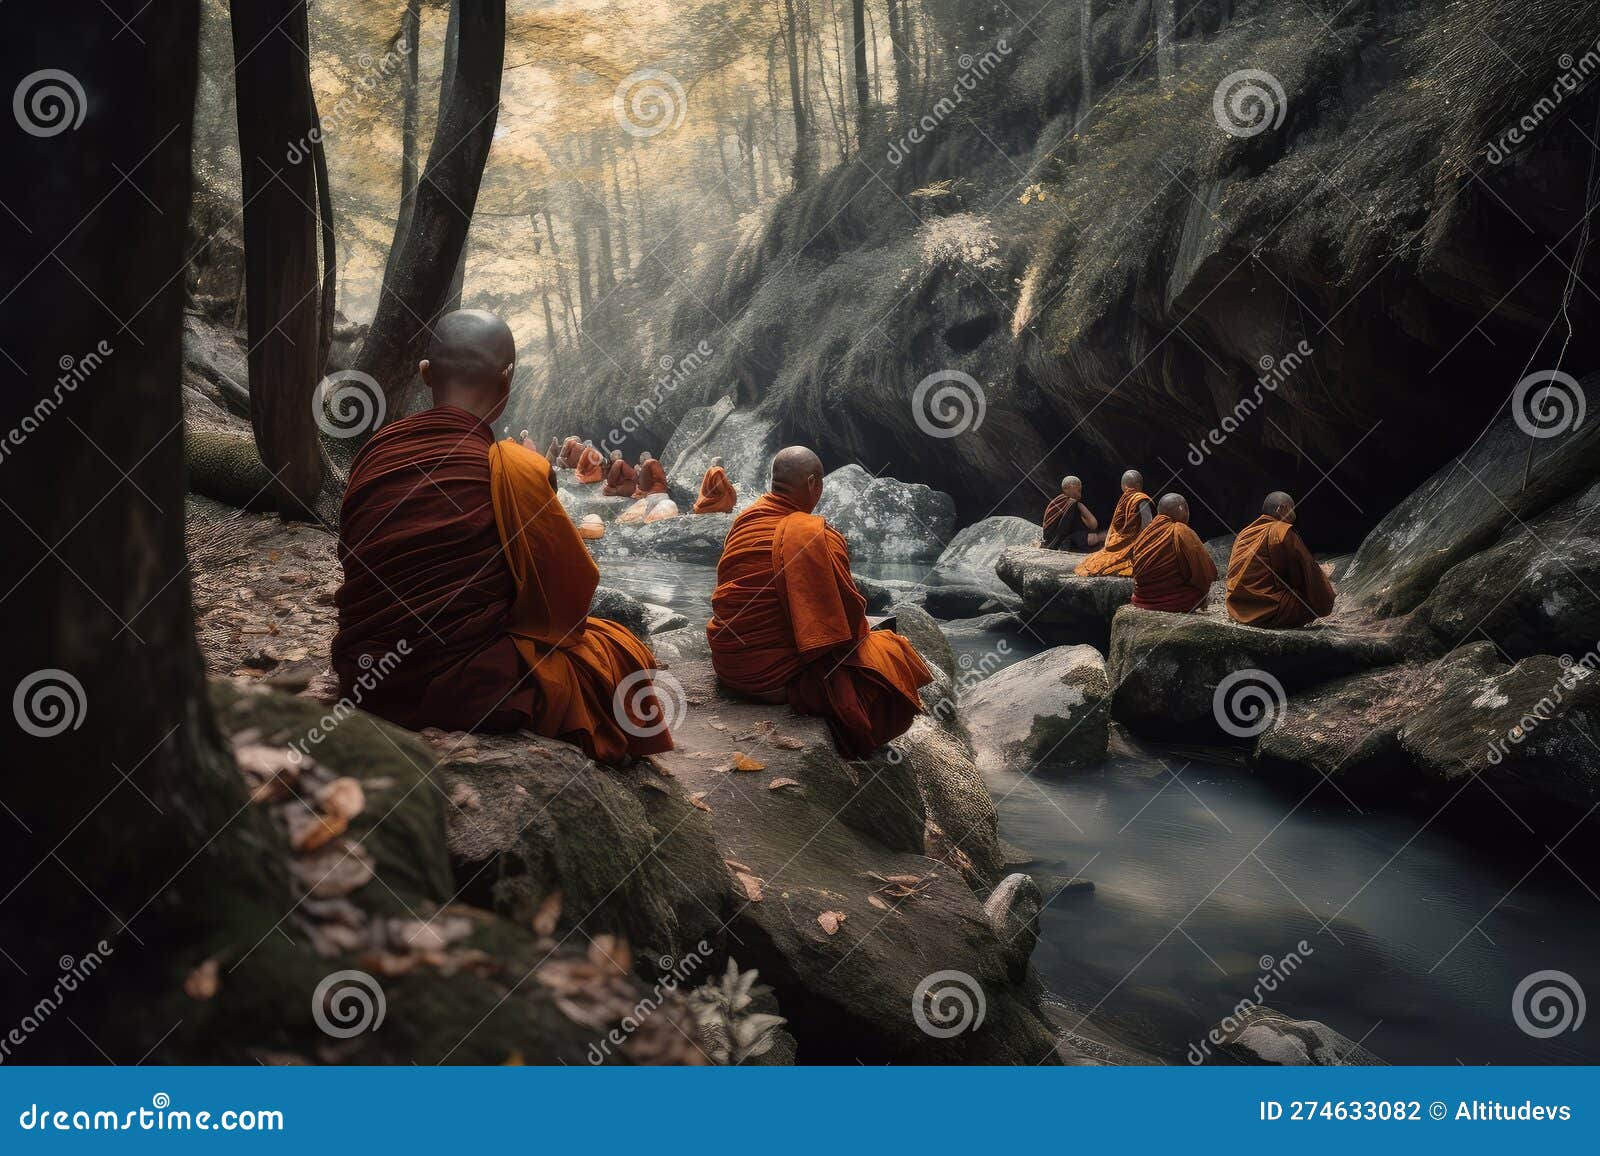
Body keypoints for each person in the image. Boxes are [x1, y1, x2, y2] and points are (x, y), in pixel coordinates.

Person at [331, 309, 672, 766]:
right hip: (472, 683)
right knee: (619, 650)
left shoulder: (377, 450)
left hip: (367, 675)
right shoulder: (518, 470)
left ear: (426, 374)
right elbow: (565, 604)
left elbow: (352, 554)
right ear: (508, 380)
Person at [707, 447, 932, 756]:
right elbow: (847, 626)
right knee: (892, 652)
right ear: (813, 483)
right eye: (821, 484)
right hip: (777, 682)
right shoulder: (817, 535)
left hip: (730, 666)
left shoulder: (745, 521)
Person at [1226, 492, 1337, 628]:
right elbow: (1304, 574)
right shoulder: (1282, 531)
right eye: (1293, 509)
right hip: (1270, 611)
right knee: (1313, 600)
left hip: (1235, 607)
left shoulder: (1244, 533)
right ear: (1282, 508)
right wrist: (1322, 576)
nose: (1294, 514)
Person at [1130, 493, 1216, 613]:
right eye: (1187, 509)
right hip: (1174, 600)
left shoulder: (1145, 533)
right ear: (1181, 508)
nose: (1188, 514)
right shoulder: (1181, 530)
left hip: (1142, 598)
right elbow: (1205, 571)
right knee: (1200, 594)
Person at [1075, 470, 1154, 577]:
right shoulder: (1141, 499)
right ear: (1140, 485)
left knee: (1107, 557)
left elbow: (1115, 526)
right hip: (1133, 544)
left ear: (1122, 486)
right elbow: (1147, 526)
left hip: (1117, 541)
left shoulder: (1122, 500)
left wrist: (1109, 543)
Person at [1040, 475, 1102, 551]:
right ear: (1065, 488)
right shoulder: (1058, 503)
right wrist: (1078, 505)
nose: (1079, 494)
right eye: (1078, 490)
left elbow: (1092, 525)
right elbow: (1093, 524)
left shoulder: (1073, 504)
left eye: (1080, 491)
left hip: (1071, 537)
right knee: (1094, 538)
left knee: (1093, 537)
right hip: (1060, 540)